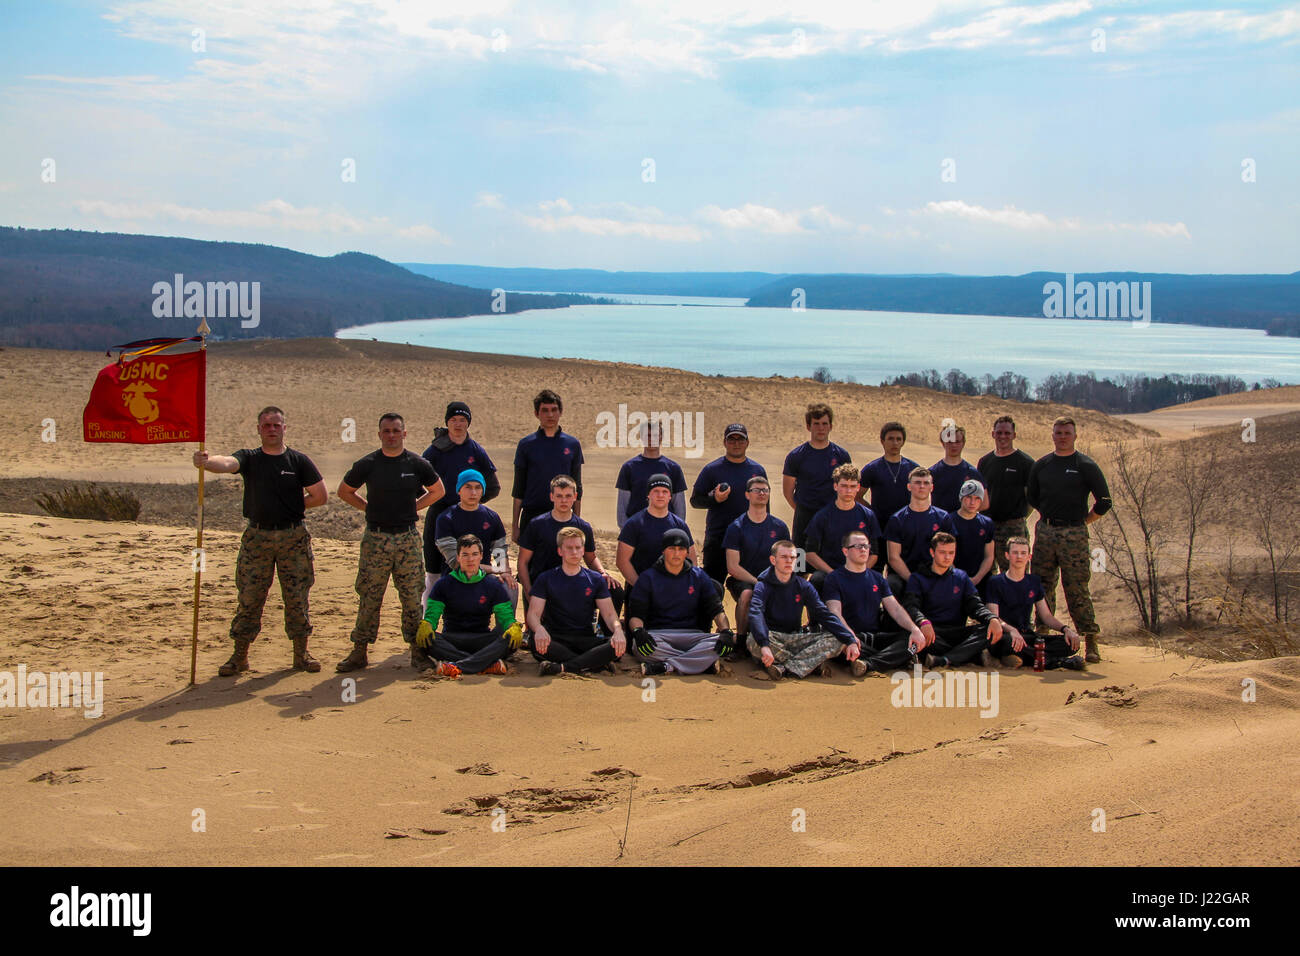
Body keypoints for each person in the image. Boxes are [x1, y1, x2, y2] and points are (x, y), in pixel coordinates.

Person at [193, 406, 327, 676]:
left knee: (297, 597)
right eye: (266, 425)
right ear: (258, 429)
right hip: (258, 538)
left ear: (284, 428)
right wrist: (206, 461)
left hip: (293, 538)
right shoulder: (250, 458)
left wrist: (291, 505)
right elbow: (228, 463)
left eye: (276, 425)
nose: (272, 429)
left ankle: (301, 654)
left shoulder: (298, 461)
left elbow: (320, 495)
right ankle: (239, 656)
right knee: (250, 597)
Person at [336, 413, 445, 673]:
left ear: (404, 434)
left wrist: (413, 507)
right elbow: (344, 491)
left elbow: (438, 490)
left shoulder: (417, 464)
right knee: (369, 596)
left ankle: (417, 652)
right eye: (386, 431)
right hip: (376, 538)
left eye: (396, 430)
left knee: (411, 598)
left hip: (407, 538)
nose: (392, 435)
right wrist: (367, 508)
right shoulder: (369, 463)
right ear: (379, 434)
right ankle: (359, 650)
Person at [1026, 416, 1113, 664]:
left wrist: (1084, 521)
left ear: (1075, 436)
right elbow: (1032, 496)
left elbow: (1104, 501)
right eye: (1058, 432)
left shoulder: (1085, 464)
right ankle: (1041, 638)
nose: (1062, 436)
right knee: (1041, 587)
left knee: (1076, 588)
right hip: (1045, 532)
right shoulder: (1042, 465)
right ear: (1052, 435)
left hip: (1074, 533)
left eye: (1067, 433)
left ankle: (1090, 641)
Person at [420, 401, 499, 606]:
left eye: (462, 420)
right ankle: (427, 620)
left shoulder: (475, 450)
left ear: (468, 423)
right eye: (453, 420)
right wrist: (426, 499)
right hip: (438, 512)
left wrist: (471, 501)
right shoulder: (435, 450)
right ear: (447, 422)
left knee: (467, 566)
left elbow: (493, 486)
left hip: (467, 516)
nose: (458, 424)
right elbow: (418, 480)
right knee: (434, 570)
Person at [627, 529, 733, 677]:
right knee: (638, 646)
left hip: (692, 636)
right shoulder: (648, 578)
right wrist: (639, 632)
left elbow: (717, 610)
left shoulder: (699, 576)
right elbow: (636, 615)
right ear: (663, 551)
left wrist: (726, 631)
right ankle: (700, 664)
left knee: (721, 642)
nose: (676, 554)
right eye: (672, 548)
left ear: (686, 552)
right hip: (659, 635)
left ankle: (667, 666)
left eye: (681, 549)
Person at [747, 540, 858, 681]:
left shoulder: (803, 586)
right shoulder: (762, 586)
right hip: (772, 637)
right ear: (773, 560)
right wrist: (764, 644)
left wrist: (849, 640)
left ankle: (784, 667)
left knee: (838, 639)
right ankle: (807, 664)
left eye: (792, 557)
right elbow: (756, 613)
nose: (789, 561)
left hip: (796, 637)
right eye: (784, 557)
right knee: (753, 640)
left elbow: (823, 614)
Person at [414, 535, 522, 677]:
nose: (470, 559)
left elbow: (505, 615)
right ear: (458, 557)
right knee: (427, 639)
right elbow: (432, 615)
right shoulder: (444, 584)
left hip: (482, 639)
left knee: (510, 639)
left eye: (474, 554)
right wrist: (427, 624)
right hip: (452, 639)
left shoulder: (492, 585)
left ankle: (455, 666)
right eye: (465, 555)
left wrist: (512, 625)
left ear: (481, 557)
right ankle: (486, 665)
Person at [823, 531, 926, 676]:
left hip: (875, 637)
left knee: (911, 642)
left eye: (866, 546)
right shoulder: (834, 579)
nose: (863, 550)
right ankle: (894, 659)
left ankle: (868, 664)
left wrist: (914, 629)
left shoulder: (877, 578)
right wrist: (849, 637)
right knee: (837, 644)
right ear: (845, 551)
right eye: (858, 546)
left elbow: (895, 609)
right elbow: (834, 612)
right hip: (850, 638)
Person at [527, 527, 627, 675]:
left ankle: (563, 667)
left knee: (615, 646)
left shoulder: (595, 579)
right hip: (556, 638)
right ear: (560, 551)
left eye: (578, 547)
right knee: (535, 642)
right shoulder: (546, 578)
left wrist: (618, 630)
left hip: (585, 638)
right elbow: (533, 614)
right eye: (569, 548)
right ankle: (594, 664)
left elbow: (610, 615)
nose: (574, 552)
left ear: (583, 550)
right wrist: (539, 629)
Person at [517, 475, 621, 614]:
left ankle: (606, 633)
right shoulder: (537, 525)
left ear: (575, 496)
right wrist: (530, 593)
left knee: (615, 590)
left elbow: (590, 558)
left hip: (573, 583)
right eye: (559, 496)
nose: (564, 500)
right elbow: (522, 562)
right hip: (543, 587)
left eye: (568, 496)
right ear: (551, 496)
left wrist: (603, 573)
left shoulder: (583, 526)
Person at [902, 532, 1006, 668]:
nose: (947, 557)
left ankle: (944, 660)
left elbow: (975, 605)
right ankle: (969, 655)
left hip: (958, 632)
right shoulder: (917, 578)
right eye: (942, 552)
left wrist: (991, 618)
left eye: (951, 553)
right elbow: (911, 606)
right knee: (911, 640)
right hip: (932, 633)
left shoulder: (961, 577)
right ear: (932, 553)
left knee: (988, 629)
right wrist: (922, 621)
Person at [984, 537, 1085, 670]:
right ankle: (1057, 662)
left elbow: (1046, 616)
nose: (1019, 556)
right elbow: (994, 617)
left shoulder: (1034, 582)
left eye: (1023, 553)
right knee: (1007, 643)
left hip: (1027, 635)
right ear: (1007, 555)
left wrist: (1066, 629)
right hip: (1005, 635)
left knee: (1068, 644)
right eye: (1015, 553)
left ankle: (1019, 658)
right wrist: (1012, 630)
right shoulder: (995, 582)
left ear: (1029, 557)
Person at [690, 423, 767, 585]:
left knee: (750, 588)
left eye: (741, 440)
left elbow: (765, 504)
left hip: (749, 539)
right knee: (712, 588)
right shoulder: (712, 470)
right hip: (718, 538)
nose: (736, 444)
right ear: (724, 442)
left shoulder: (757, 470)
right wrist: (715, 499)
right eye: (732, 440)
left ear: (747, 442)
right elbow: (695, 501)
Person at [433, 469, 516, 607]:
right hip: (455, 577)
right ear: (459, 490)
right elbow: (457, 563)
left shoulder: (492, 518)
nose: (473, 492)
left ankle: (506, 628)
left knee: (510, 586)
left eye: (478, 488)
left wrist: (504, 571)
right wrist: (496, 570)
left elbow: (500, 551)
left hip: (484, 577)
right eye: (468, 487)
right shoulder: (446, 519)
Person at [722, 475, 790, 642]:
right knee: (747, 594)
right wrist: (758, 582)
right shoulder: (736, 527)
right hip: (744, 579)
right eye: (756, 490)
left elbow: (792, 555)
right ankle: (741, 641)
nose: (761, 493)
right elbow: (732, 567)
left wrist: (792, 577)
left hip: (774, 578)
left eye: (765, 490)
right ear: (747, 495)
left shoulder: (779, 526)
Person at [511, 389, 583, 543]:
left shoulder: (573, 445)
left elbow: (578, 486)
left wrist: (577, 521)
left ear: (560, 412)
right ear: (537, 414)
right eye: (545, 411)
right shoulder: (526, 445)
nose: (550, 415)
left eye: (554, 410)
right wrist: (515, 526)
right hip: (532, 514)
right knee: (529, 565)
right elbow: (518, 488)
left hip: (563, 515)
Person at [782, 403, 852, 550]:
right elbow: (788, 492)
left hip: (833, 515)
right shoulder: (796, 456)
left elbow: (848, 488)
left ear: (830, 426)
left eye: (824, 424)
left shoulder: (841, 455)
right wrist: (802, 509)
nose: (821, 428)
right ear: (809, 426)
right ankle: (800, 573)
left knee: (831, 558)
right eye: (816, 424)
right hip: (804, 516)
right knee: (800, 559)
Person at [804, 463, 883, 588]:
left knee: (877, 581)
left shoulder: (868, 515)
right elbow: (809, 553)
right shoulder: (822, 516)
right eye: (844, 486)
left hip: (859, 570)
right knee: (817, 579)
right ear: (835, 486)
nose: (848, 491)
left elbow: (874, 553)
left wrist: (860, 573)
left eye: (852, 486)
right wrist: (833, 574)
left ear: (858, 488)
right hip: (831, 571)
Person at [976, 415, 1036, 573]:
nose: (1003, 437)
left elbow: (1031, 498)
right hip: (987, 526)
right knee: (986, 572)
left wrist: (1018, 518)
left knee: (1015, 573)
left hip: (1014, 528)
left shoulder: (1025, 463)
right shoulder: (985, 462)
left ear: (1014, 435)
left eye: (1007, 433)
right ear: (993, 434)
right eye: (999, 432)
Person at [616, 474, 695, 587]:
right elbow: (622, 562)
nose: (660, 495)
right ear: (648, 494)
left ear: (670, 496)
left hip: (672, 590)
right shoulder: (634, 524)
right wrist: (641, 587)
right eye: (655, 491)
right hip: (641, 591)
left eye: (665, 491)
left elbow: (691, 558)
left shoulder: (679, 525)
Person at [883, 467, 949, 594]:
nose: (922, 486)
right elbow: (893, 557)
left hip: (933, 572)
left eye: (926, 483)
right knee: (891, 585)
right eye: (917, 483)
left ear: (932, 487)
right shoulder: (897, 519)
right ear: (909, 486)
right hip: (903, 575)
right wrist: (912, 580)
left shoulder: (943, 518)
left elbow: (948, 552)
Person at [615, 421, 687, 527]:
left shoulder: (673, 468)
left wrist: (677, 532)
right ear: (642, 438)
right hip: (636, 531)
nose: (651, 439)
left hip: (666, 530)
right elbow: (622, 508)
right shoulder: (629, 467)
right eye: (648, 435)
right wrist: (627, 533)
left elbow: (679, 507)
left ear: (661, 438)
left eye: (655, 435)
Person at [857, 421, 920, 529]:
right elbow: (857, 496)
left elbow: (923, 495)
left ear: (903, 442)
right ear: (882, 441)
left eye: (898, 439)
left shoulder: (913, 469)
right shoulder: (872, 468)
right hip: (880, 526)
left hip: (907, 525)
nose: (895, 443)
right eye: (890, 439)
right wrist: (872, 512)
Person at [940, 479, 996, 591]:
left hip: (980, 579)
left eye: (977, 498)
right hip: (953, 579)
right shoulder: (948, 521)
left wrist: (977, 578)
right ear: (961, 498)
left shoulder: (987, 523)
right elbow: (943, 555)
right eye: (968, 497)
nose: (972, 502)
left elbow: (989, 556)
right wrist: (960, 578)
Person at [929, 420, 985, 513]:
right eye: (950, 442)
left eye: (957, 441)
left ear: (963, 443)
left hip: (964, 524)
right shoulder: (933, 473)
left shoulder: (972, 473)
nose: (954, 445)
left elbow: (984, 504)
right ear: (943, 443)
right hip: (940, 524)